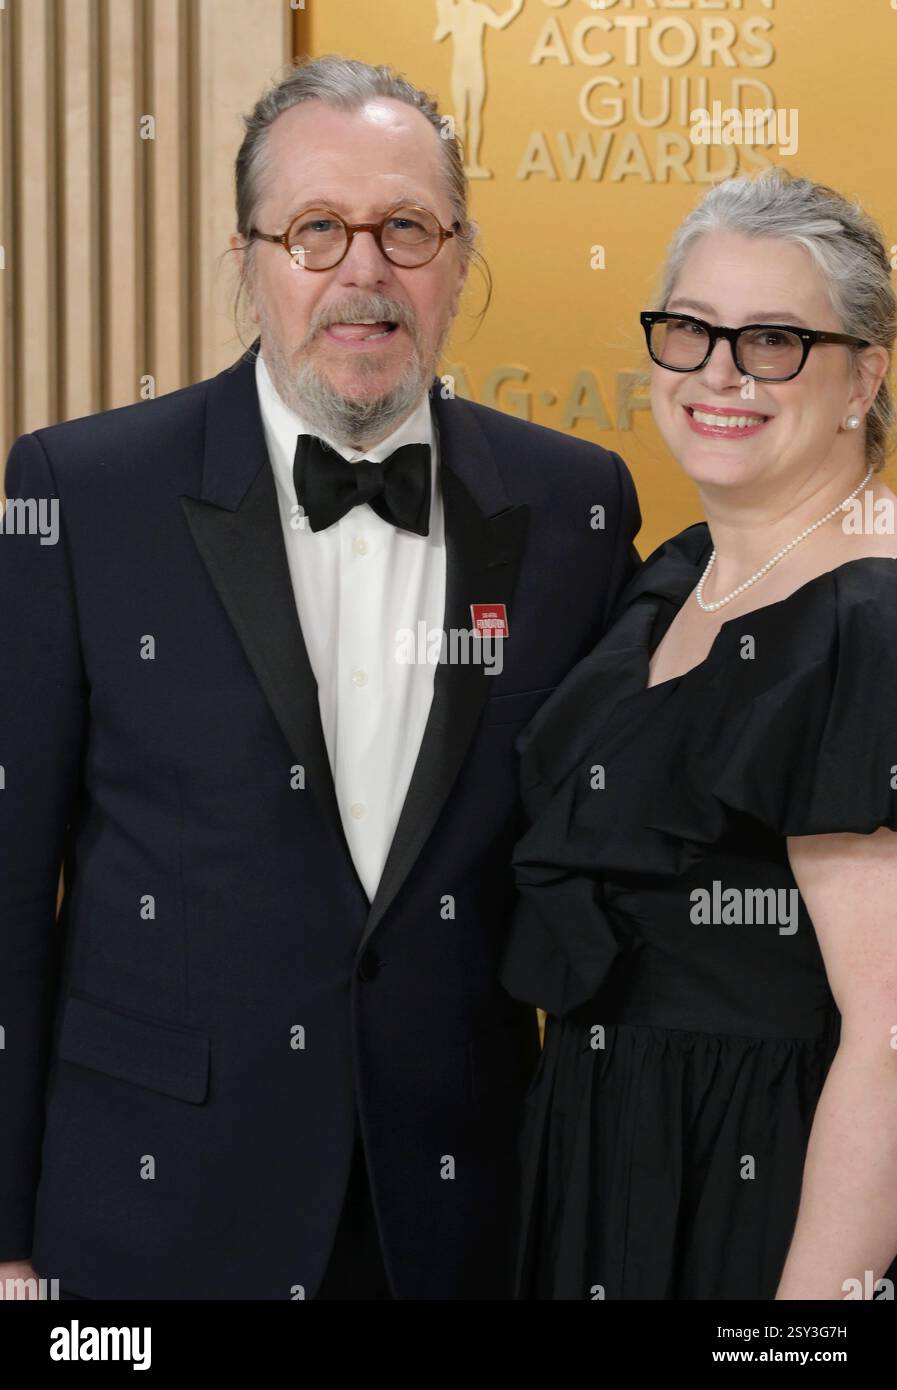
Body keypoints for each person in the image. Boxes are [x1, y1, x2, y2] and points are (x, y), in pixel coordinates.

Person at [0, 56, 639, 1300]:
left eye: (407, 227)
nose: (364, 271)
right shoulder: (82, 492)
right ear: (248, 257)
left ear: (460, 259)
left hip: (465, 1214)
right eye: (316, 228)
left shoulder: (578, 507)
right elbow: (12, 877)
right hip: (150, 1211)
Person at [501, 168, 897, 1300]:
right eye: (691, 331)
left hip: (761, 1197)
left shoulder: (871, 623)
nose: (719, 374)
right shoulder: (675, 577)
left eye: (774, 339)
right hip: (608, 1156)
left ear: (862, 375)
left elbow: (890, 1036)